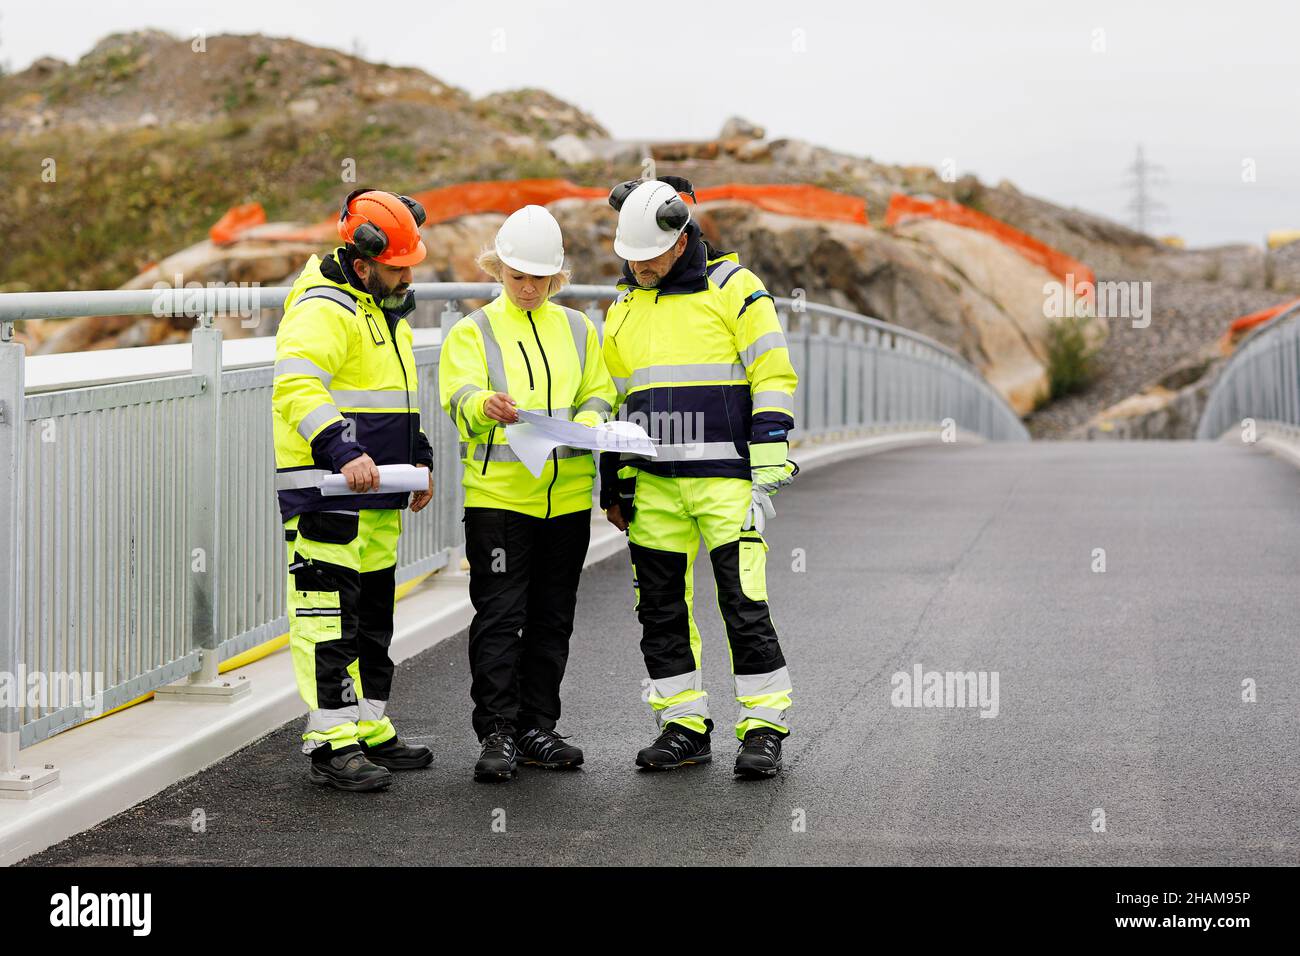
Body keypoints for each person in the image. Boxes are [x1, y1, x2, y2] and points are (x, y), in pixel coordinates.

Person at [600, 177, 799, 778]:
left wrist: (768, 450)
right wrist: (615, 482)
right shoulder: (625, 305)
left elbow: (774, 372)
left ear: (679, 236)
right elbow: (617, 400)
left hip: (725, 480)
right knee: (659, 610)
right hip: (655, 486)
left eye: (647, 258)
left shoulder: (736, 289)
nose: (637, 268)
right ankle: (682, 724)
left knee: (744, 605)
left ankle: (763, 726)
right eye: (628, 259)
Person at [438, 204, 616, 782]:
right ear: (498, 271)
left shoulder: (579, 329)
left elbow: (598, 391)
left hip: (565, 502)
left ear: (558, 277)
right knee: (499, 617)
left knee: (551, 618)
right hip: (499, 502)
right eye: (519, 277)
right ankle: (497, 734)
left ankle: (537, 727)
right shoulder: (474, 331)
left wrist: (590, 419)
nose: (530, 288)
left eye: (541, 278)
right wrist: (482, 406)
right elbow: (457, 396)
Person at [272, 188, 437, 792]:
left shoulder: (375, 305)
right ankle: (332, 742)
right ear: (362, 260)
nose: (407, 277)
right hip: (327, 492)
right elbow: (296, 387)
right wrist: (340, 449)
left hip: (377, 494)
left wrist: (416, 456)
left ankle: (368, 727)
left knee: (370, 618)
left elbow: (390, 395)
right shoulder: (324, 307)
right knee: (329, 619)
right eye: (398, 268)